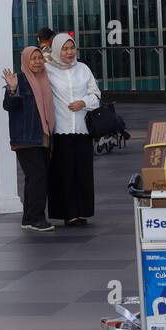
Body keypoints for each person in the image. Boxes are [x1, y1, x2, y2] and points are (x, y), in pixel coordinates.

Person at [45, 31, 101, 226]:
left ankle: (81, 211)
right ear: (56, 50)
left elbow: (96, 95)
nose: (69, 53)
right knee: (64, 173)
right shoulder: (48, 70)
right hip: (61, 130)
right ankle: (68, 213)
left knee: (83, 173)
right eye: (64, 49)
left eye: (72, 48)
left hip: (83, 129)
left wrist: (83, 102)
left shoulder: (83, 69)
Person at [2, 46, 56, 232]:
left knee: (34, 178)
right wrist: (13, 89)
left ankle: (28, 218)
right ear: (25, 60)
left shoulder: (44, 79)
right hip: (26, 138)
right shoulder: (20, 80)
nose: (37, 62)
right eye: (32, 59)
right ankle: (37, 218)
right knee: (38, 176)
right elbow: (9, 106)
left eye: (39, 58)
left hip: (43, 136)